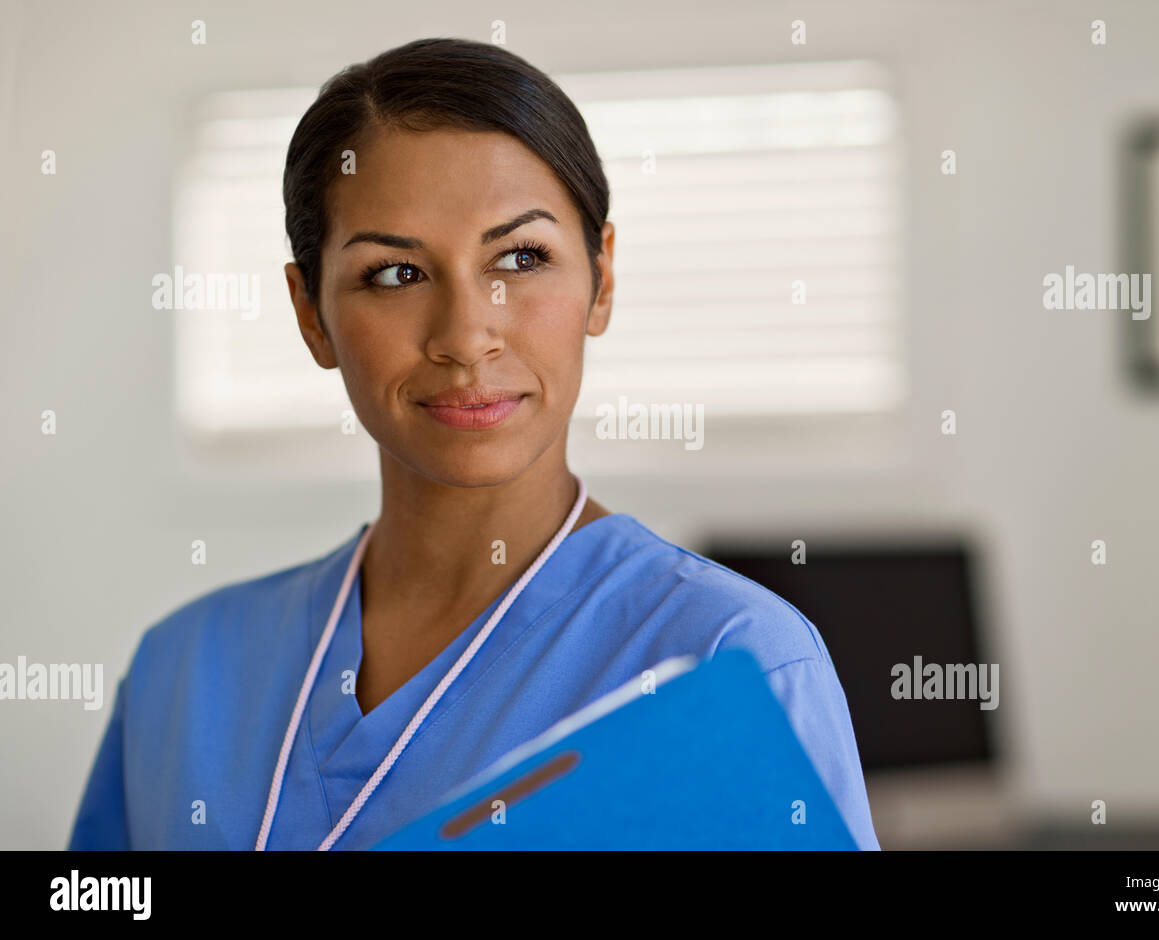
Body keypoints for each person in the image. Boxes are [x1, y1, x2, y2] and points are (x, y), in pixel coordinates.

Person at [67, 37, 880, 851]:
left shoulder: (731, 665)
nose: (465, 336)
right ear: (310, 311)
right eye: (395, 273)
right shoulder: (183, 673)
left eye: (521, 258)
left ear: (602, 277)